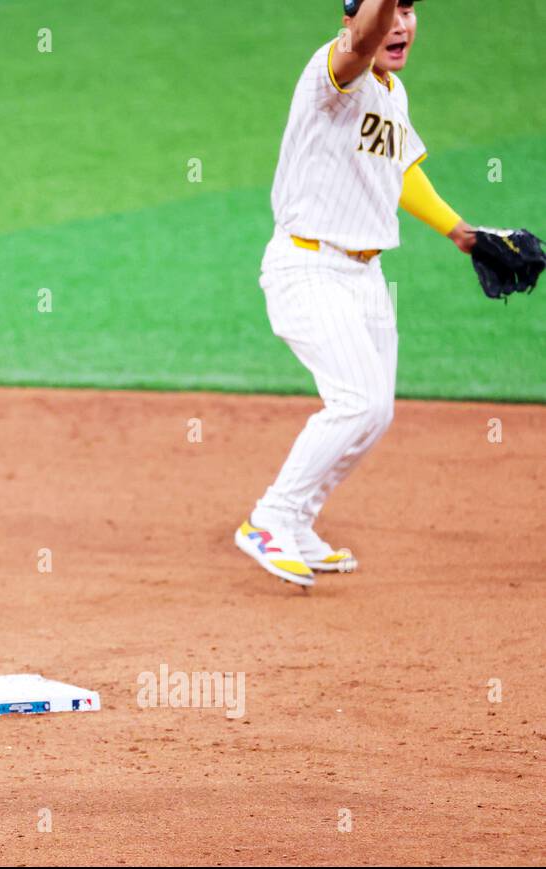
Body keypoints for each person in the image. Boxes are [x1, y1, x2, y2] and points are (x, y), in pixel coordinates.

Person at [235, 0, 494, 588]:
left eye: (412, 10)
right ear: (355, 18)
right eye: (391, 11)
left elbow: (400, 168)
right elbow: (366, 31)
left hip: (366, 277)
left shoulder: (390, 92)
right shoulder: (337, 69)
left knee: (375, 412)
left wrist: (461, 233)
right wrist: (374, 17)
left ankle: (297, 521)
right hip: (308, 266)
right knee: (354, 401)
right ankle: (269, 519)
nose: (401, 24)